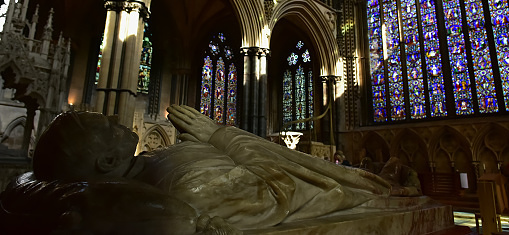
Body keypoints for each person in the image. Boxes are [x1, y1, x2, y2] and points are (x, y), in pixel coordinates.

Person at [4, 106, 391, 234]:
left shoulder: (156, 164)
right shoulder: (189, 189)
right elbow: (282, 187)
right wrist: (219, 134)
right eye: (105, 125)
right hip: (344, 190)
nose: (113, 118)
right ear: (106, 162)